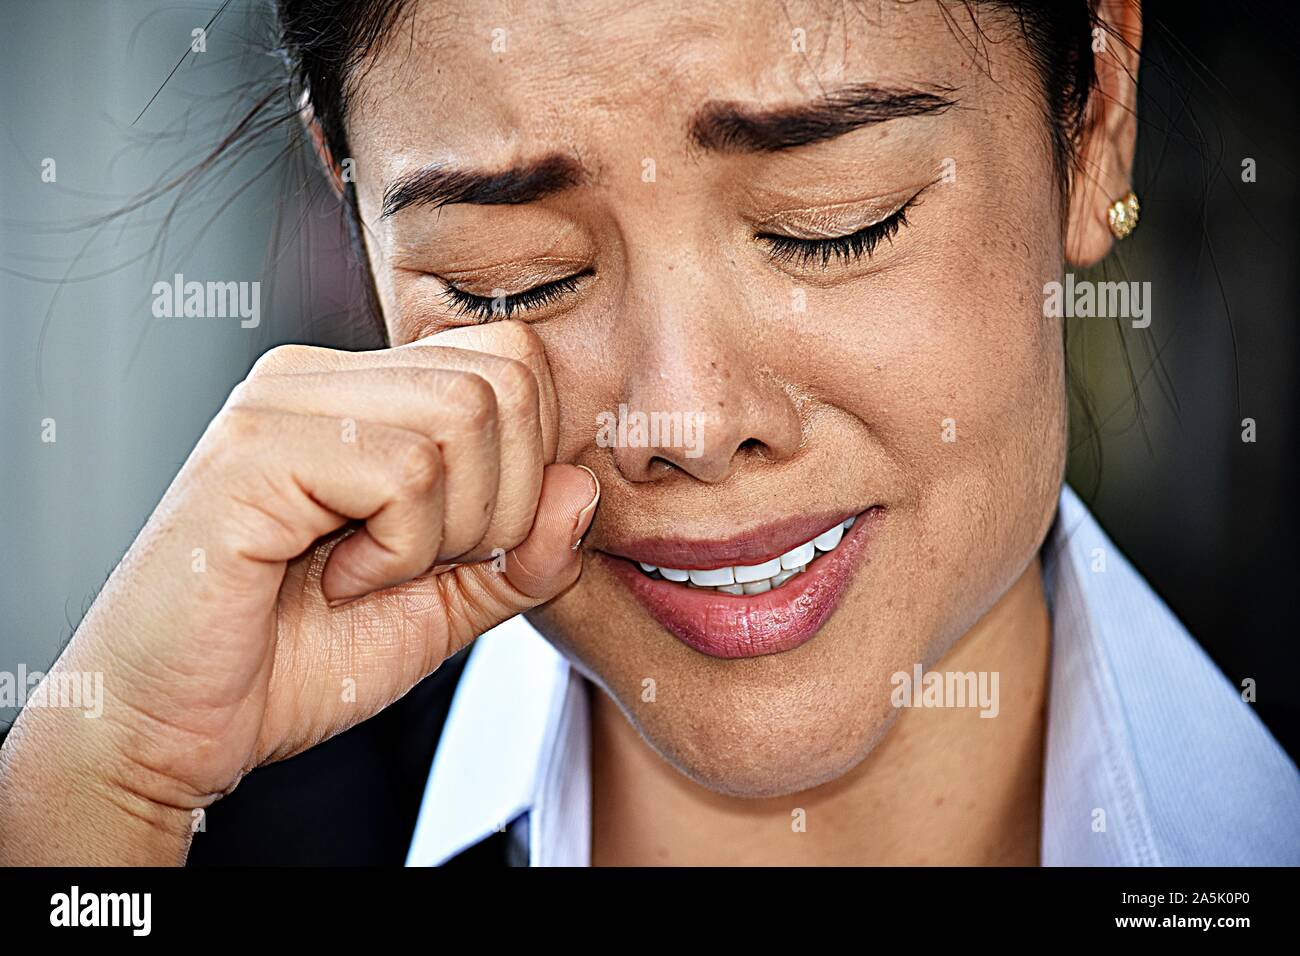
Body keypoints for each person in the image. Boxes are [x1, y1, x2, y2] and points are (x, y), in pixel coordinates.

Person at [2, 0, 1297, 866]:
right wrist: (96, 799)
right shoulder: (177, 836)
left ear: (1096, 117)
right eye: (513, 274)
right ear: (356, 212)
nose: (689, 421)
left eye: (832, 221)